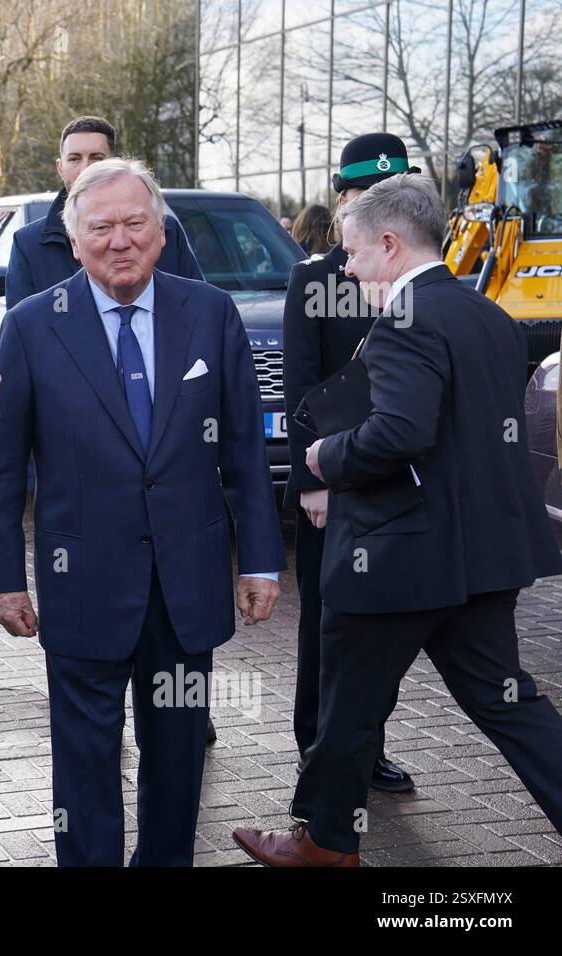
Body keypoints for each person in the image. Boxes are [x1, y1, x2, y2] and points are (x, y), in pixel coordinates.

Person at [235, 173, 562, 866]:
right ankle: (324, 839)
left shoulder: (404, 323)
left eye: (353, 253)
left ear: (389, 244)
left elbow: (400, 433)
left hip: (398, 559)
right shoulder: (489, 316)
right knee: (510, 704)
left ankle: (325, 845)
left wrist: (325, 457)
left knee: (347, 705)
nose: (346, 269)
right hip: (481, 556)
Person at [0, 158, 284, 867]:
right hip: (82, 583)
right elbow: (2, 470)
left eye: (134, 223)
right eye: (101, 227)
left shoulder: (209, 314)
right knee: (85, 765)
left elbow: (243, 449)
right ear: (74, 237)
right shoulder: (32, 326)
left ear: (160, 230)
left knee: (178, 761)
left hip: (188, 584)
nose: (119, 240)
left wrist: (262, 560)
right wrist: (3, 577)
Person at [283, 134, 419, 795]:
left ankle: (366, 745)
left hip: (395, 482)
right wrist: (312, 481)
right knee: (325, 620)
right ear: (343, 200)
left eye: (391, 193)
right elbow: (301, 385)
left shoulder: (418, 279)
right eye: (365, 194)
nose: (378, 205)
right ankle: (317, 743)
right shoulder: (315, 279)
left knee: (383, 621)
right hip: (331, 483)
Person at [5, 115, 203, 311]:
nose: (85, 168)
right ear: (60, 167)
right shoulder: (29, 244)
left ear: (114, 162)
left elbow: (195, 308)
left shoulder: (166, 231)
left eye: (96, 158)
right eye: (74, 159)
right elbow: (24, 331)